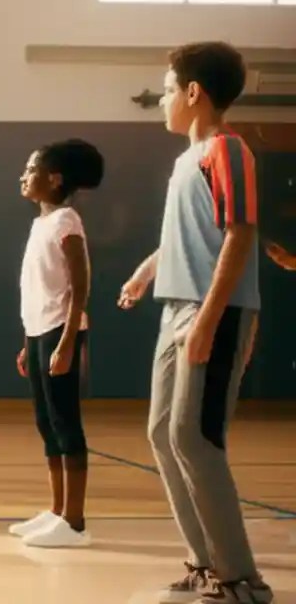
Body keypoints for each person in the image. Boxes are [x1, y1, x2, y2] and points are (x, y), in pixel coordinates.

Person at [119, 42, 272, 604]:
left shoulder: (228, 150)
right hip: (175, 307)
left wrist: (209, 319)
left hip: (214, 309)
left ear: (193, 92)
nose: (162, 101)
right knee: (163, 434)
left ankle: (241, 580)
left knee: (195, 437)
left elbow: (239, 233)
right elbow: (188, 237)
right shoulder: (188, 160)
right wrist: (147, 271)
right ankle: (205, 565)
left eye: (166, 91)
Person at [10, 139, 103, 549]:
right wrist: (26, 342)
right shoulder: (41, 223)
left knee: (66, 423)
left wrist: (66, 343)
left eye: (31, 169)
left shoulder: (67, 221)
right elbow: (36, 291)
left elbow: (80, 286)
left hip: (59, 331)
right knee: (46, 423)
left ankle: (75, 522)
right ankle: (56, 510)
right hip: (37, 332)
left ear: (54, 179)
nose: (23, 176)